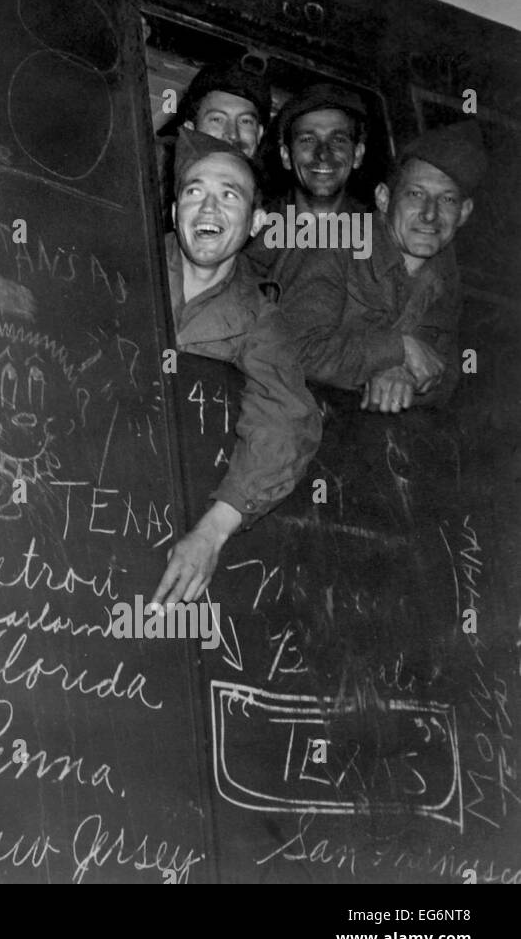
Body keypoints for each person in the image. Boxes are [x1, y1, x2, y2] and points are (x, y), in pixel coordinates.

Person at [152, 129, 321, 607]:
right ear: (172, 212)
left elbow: (286, 422)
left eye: (229, 196)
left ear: (255, 222)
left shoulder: (262, 318)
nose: (208, 210)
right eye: (194, 192)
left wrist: (212, 533)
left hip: (177, 516)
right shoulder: (124, 263)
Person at [278, 121, 486, 413]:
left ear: (463, 213)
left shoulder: (445, 275)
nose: (430, 214)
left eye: (447, 200)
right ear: (384, 198)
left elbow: (447, 376)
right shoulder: (333, 243)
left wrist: (399, 377)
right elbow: (293, 348)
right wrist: (399, 349)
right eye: (415, 194)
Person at [244, 82, 369, 289]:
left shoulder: (379, 237)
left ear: (357, 155)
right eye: (308, 140)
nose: (322, 154)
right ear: (286, 156)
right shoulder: (253, 231)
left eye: (338, 140)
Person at [156, 58, 271, 215]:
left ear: (259, 134)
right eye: (217, 119)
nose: (232, 134)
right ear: (190, 129)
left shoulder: (272, 210)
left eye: (245, 121)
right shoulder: (153, 178)